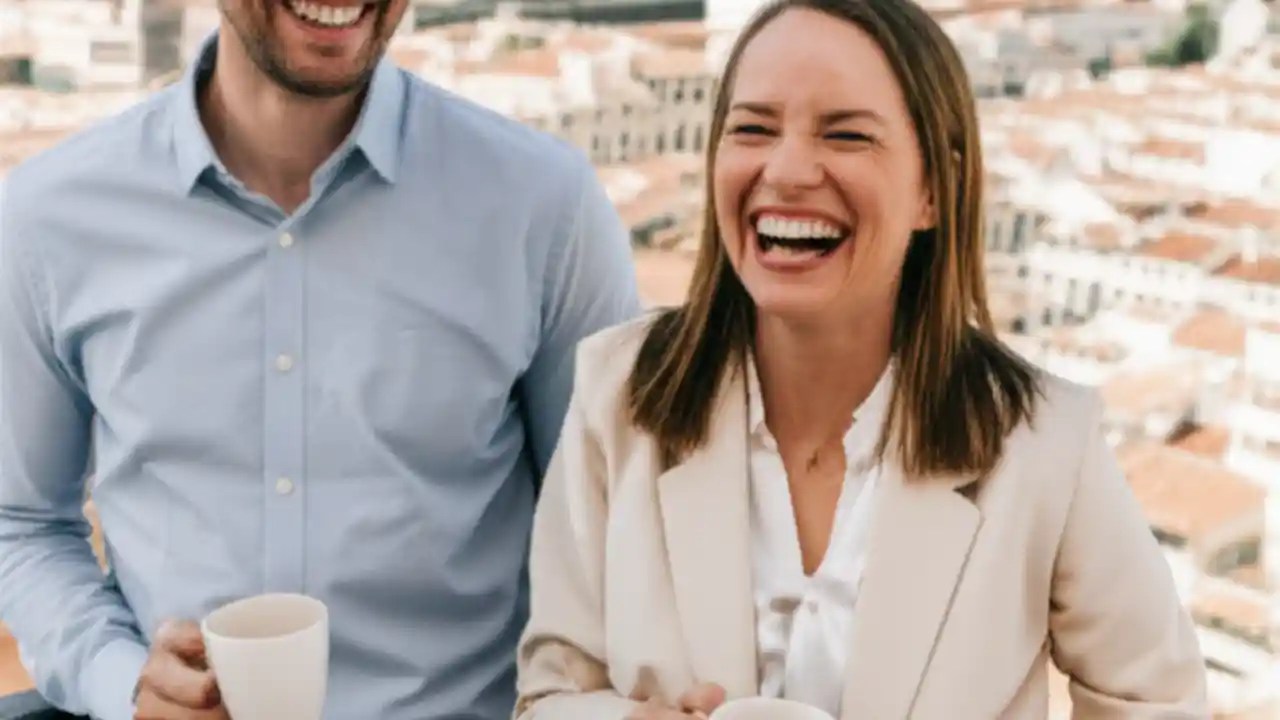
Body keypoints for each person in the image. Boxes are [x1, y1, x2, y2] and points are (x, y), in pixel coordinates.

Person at [514, 0, 1210, 718]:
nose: (786, 171)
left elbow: (1160, 702)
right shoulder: (618, 392)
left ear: (933, 190)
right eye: (752, 129)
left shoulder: (1046, 443)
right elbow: (551, 694)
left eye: (846, 135)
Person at [0, 0, 640, 717]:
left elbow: (620, 528)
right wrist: (123, 683)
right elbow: (21, 524)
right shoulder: (50, 215)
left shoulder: (543, 206)